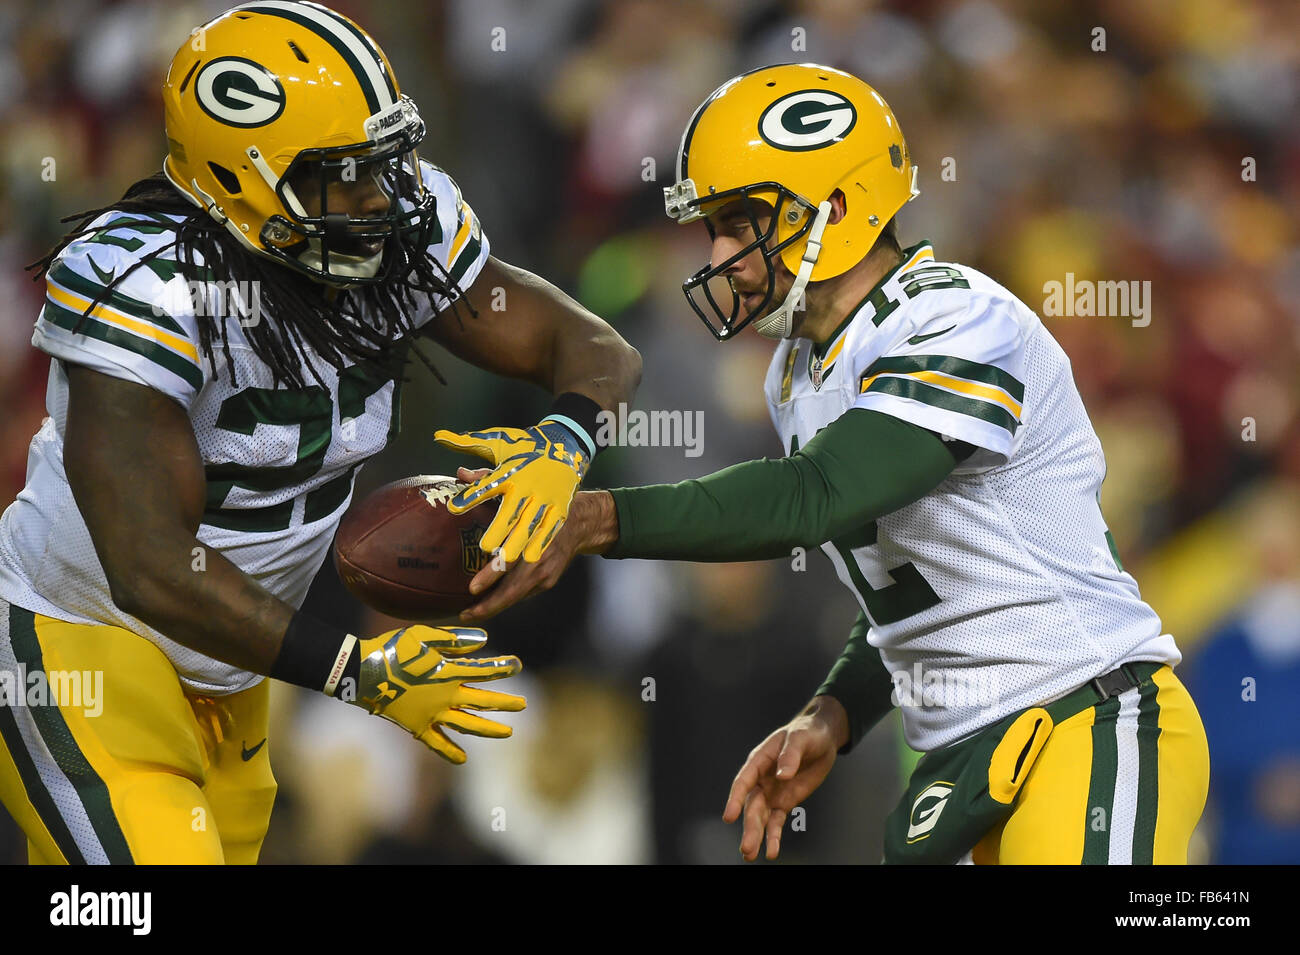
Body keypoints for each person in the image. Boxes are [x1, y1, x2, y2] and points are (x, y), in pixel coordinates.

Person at [463, 63, 1209, 865]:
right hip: (969, 759)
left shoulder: (957, 317)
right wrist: (835, 711)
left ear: (841, 208)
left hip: (1085, 720)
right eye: (711, 225)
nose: (723, 253)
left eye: (742, 220)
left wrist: (599, 517)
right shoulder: (799, 370)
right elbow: (907, 582)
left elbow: (814, 495)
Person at [0, 1, 639, 865]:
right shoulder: (146, 282)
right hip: (85, 643)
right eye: (346, 175)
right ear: (243, 179)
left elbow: (593, 347)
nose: (382, 198)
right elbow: (150, 563)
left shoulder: (393, 237)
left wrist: (564, 441)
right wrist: (354, 671)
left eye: (385, 164)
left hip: (238, 672)